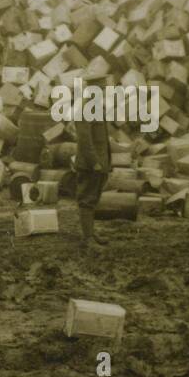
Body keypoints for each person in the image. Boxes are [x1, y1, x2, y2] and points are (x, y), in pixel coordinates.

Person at [73, 80, 113, 251]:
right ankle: (87, 238)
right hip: (91, 164)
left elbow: (101, 139)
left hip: (99, 163)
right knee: (87, 200)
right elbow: (85, 139)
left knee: (93, 199)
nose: (104, 91)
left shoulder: (95, 105)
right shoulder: (85, 107)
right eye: (102, 88)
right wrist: (94, 162)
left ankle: (90, 233)